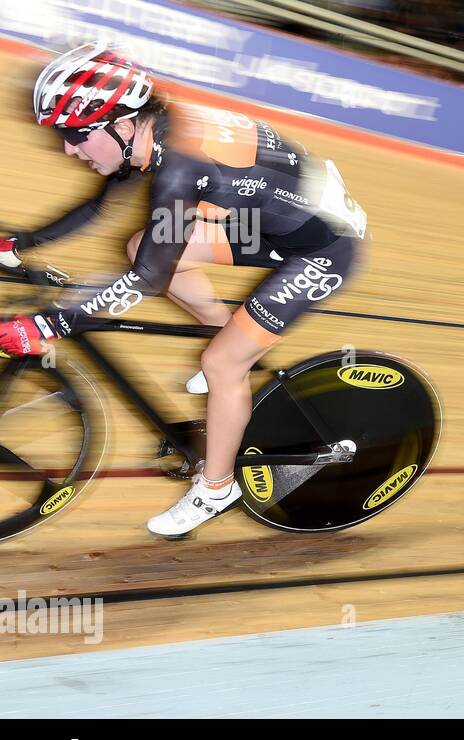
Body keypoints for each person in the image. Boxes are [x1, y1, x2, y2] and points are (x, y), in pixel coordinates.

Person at [0, 43, 367, 538]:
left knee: (221, 362)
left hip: (324, 248)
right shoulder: (153, 134)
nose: (69, 149)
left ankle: (216, 487)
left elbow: (150, 279)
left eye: (74, 135)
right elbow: (98, 209)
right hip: (275, 224)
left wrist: (52, 322)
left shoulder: (180, 165)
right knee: (139, 245)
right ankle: (227, 334)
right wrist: (19, 242)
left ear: (123, 127)